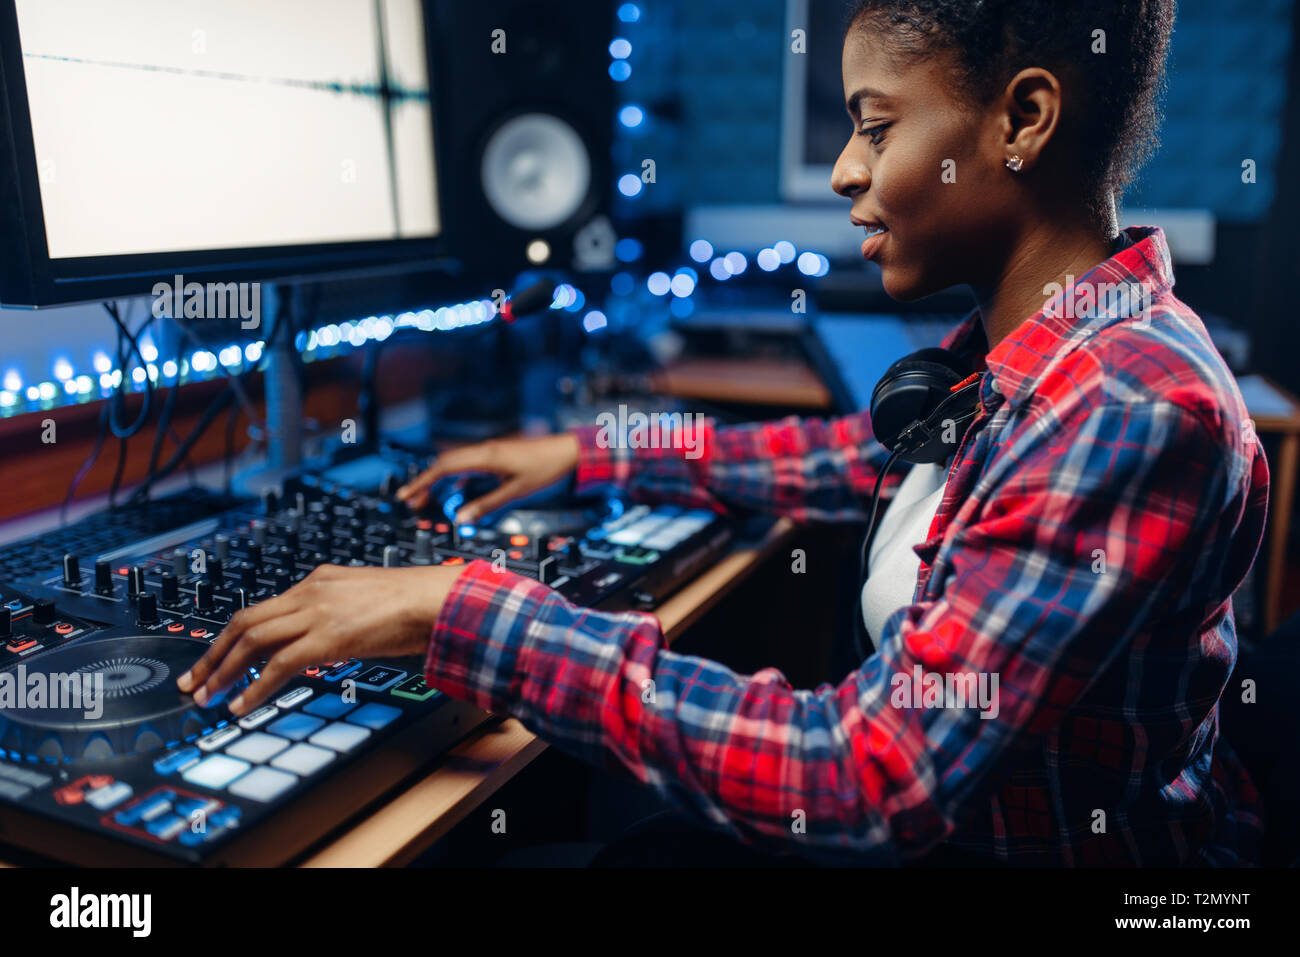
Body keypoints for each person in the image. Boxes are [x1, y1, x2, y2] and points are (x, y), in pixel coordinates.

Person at [178, 0, 1268, 865]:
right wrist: (591, 453)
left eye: (875, 126)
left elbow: (863, 779)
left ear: (1022, 120)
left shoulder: (1127, 408)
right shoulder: (1042, 352)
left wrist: (473, 610)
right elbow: (852, 461)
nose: (845, 168)